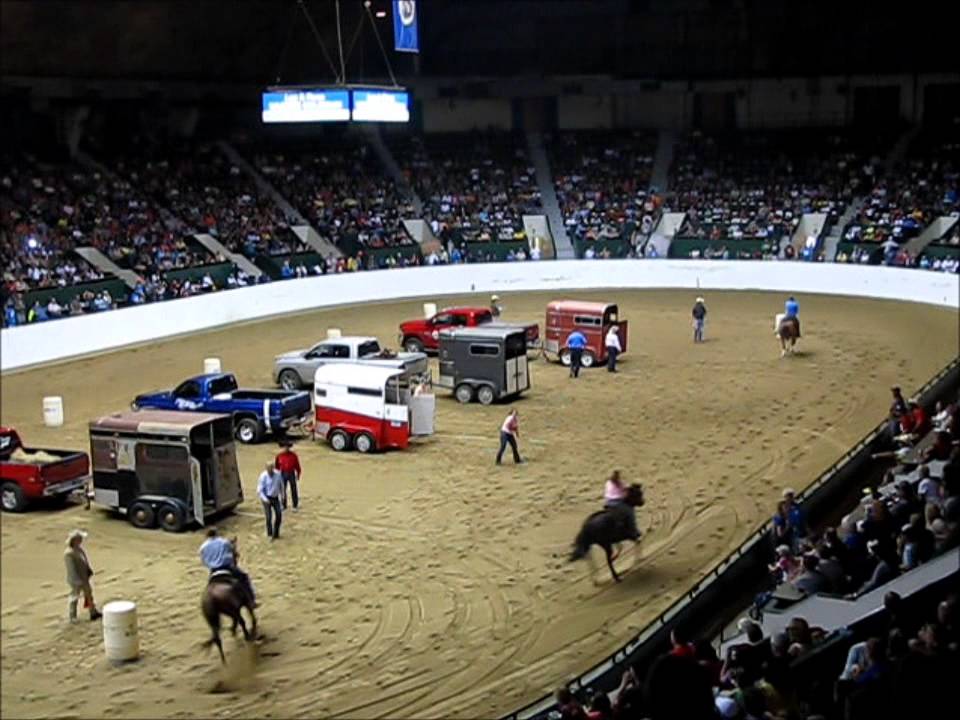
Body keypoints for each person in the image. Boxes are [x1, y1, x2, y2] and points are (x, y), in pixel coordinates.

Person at [199, 527, 257, 607]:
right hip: (227, 567)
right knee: (244, 577)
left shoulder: (203, 547)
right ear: (216, 534)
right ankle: (251, 600)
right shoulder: (223, 542)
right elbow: (233, 552)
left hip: (213, 570)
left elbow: (204, 561)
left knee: (208, 588)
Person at [64, 529, 102, 623]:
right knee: (74, 597)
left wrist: (88, 571)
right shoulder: (69, 553)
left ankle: (93, 612)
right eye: (79, 538)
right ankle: (72, 616)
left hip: (84, 577)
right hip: (76, 579)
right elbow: (71, 568)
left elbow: (84, 561)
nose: (81, 540)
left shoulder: (79, 549)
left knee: (89, 594)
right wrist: (77, 580)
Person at [603, 470, 639, 540]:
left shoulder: (609, 483)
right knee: (630, 512)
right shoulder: (618, 483)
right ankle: (633, 532)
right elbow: (623, 492)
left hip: (608, 503)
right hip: (616, 503)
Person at [257, 461, 283, 539]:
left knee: (279, 515)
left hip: (275, 498)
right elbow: (259, 490)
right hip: (266, 497)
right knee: (269, 517)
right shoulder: (263, 476)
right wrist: (265, 499)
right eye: (269, 468)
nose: (270, 470)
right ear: (266, 469)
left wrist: (283, 495)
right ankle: (269, 534)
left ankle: (276, 533)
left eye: (272, 468)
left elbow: (281, 485)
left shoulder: (278, 474)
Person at [275, 441, 302, 511]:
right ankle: (284, 505)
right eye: (284, 447)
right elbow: (277, 467)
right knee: (283, 490)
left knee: (294, 489)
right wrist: (276, 476)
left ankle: (295, 505)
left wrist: (298, 474)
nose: (286, 448)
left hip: (291, 473)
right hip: (283, 473)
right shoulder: (279, 456)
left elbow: (297, 466)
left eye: (287, 447)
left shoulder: (293, 455)